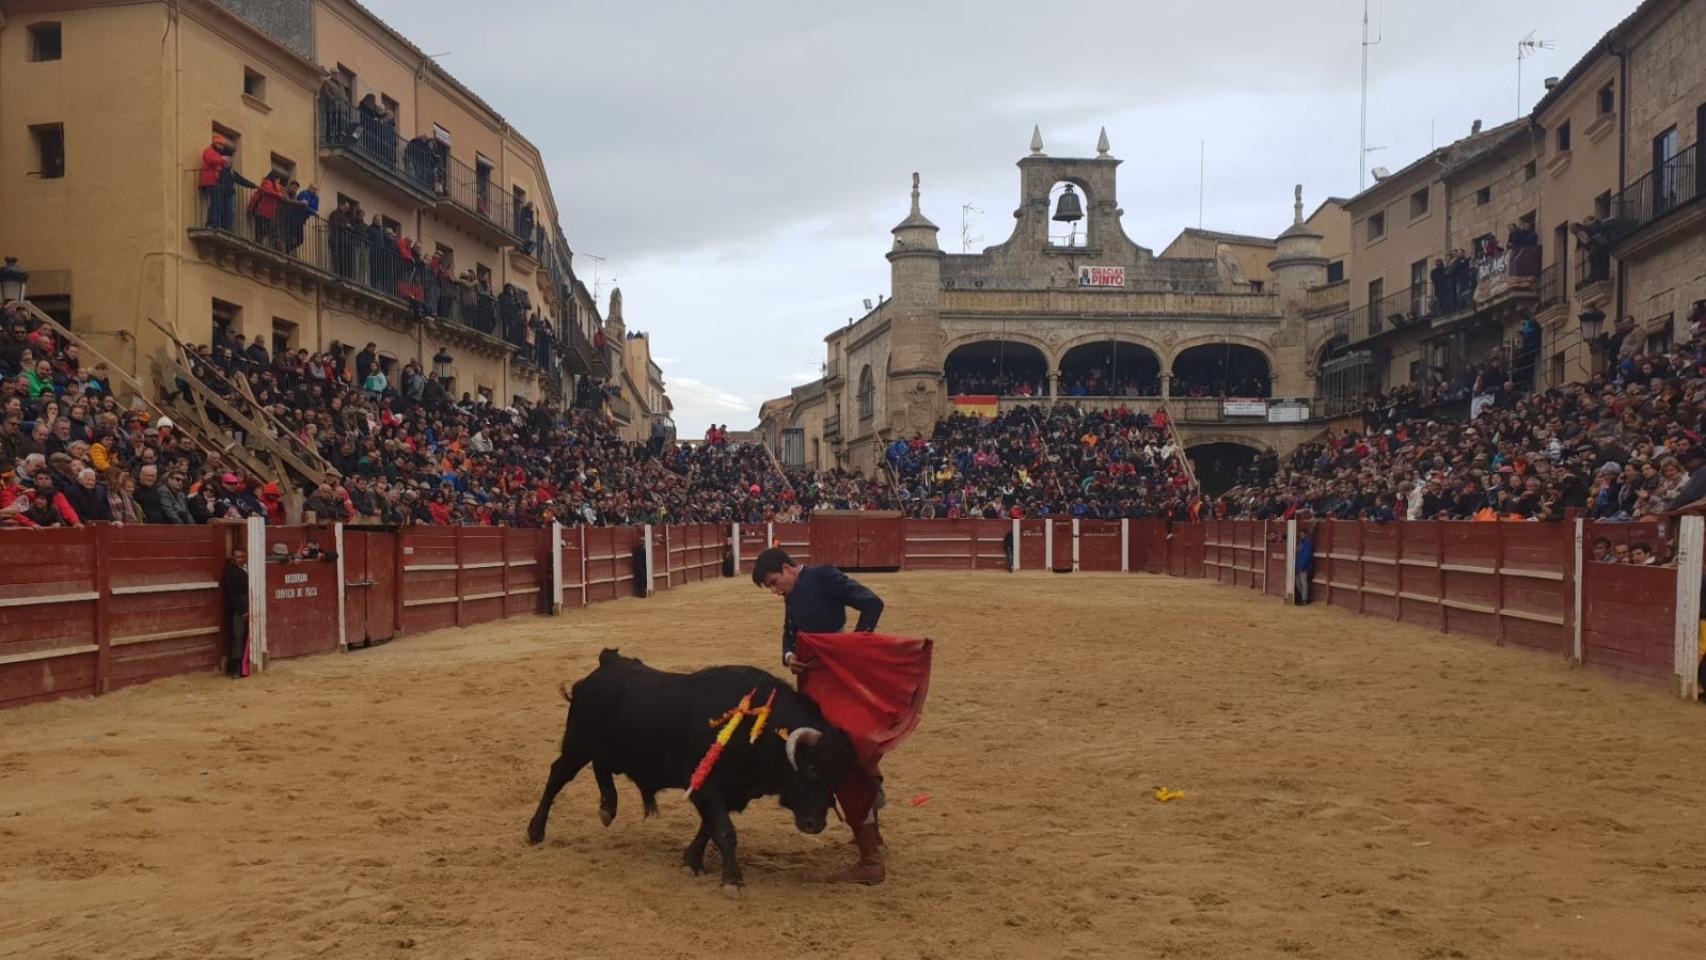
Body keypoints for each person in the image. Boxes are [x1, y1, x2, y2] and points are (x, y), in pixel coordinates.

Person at [751, 546, 892, 884]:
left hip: (836, 679)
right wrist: (788, 657)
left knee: (837, 756)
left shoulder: (823, 576)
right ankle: (874, 840)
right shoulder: (793, 592)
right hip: (813, 681)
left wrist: (854, 647)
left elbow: (872, 603)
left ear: (788, 568)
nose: (774, 591)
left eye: (774, 582)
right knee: (836, 752)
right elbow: (790, 632)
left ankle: (871, 859)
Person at [223, 549, 250, 678]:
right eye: (238, 557)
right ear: (233, 558)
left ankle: (246, 666)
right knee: (238, 636)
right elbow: (232, 594)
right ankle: (236, 668)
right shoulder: (230, 571)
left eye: (242, 556)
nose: (240, 559)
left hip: (252, 604)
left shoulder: (249, 567)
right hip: (239, 607)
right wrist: (243, 611)